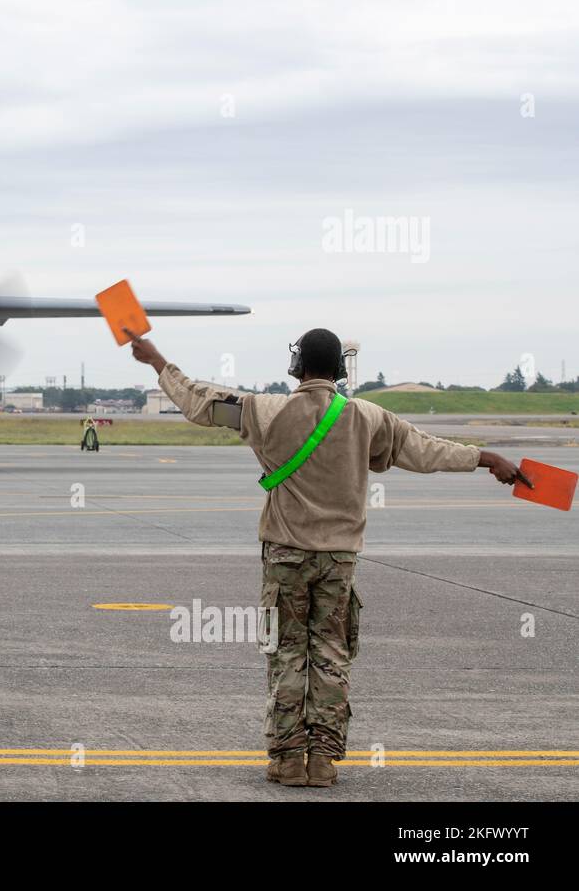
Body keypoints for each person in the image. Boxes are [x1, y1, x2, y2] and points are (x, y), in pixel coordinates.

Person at [126, 328, 530, 787]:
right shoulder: (368, 418)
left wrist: (158, 361)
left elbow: (199, 400)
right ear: (339, 370)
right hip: (339, 559)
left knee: (286, 652)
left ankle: (287, 759)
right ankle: (323, 760)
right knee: (332, 655)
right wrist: (486, 458)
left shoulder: (265, 411)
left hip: (285, 555)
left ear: (297, 367)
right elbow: (425, 450)